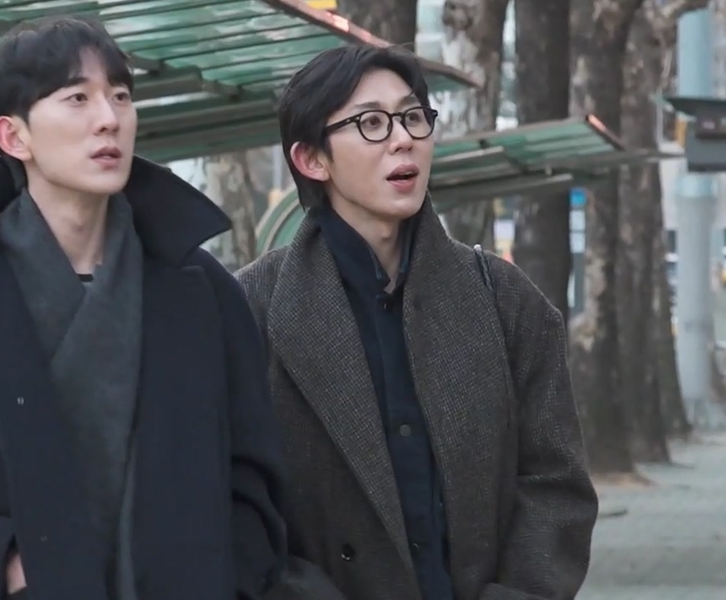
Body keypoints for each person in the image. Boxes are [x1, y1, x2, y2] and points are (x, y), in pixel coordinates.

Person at [0, 17, 285, 600]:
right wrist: (2, 563)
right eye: (77, 98)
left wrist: (228, 575)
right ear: (13, 136)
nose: (109, 118)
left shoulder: (204, 291)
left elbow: (255, 476)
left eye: (120, 96)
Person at [235, 45, 598, 600]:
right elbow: (234, 507)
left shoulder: (505, 301)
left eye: (412, 116)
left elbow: (556, 485)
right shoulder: (251, 309)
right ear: (312, 159)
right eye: (371, 123)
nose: (403, 138)